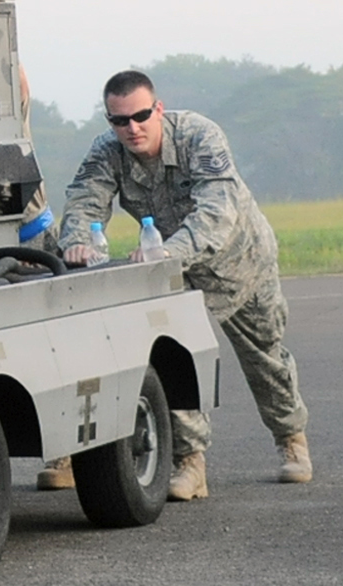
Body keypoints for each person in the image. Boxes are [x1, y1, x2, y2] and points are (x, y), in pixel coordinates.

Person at [54, 70, 313, 501]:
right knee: (174, 357)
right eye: (119, 120)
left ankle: (291, 439)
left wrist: (167, 252)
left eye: (140, 116)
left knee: (265, 356)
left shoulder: (199, 136)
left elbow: (217, 213)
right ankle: (190, 463)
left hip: (239, 263)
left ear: (158, 109)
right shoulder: (107, 151)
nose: (132, 128)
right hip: (173, 273)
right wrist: (78, 240)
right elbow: (84, 200)